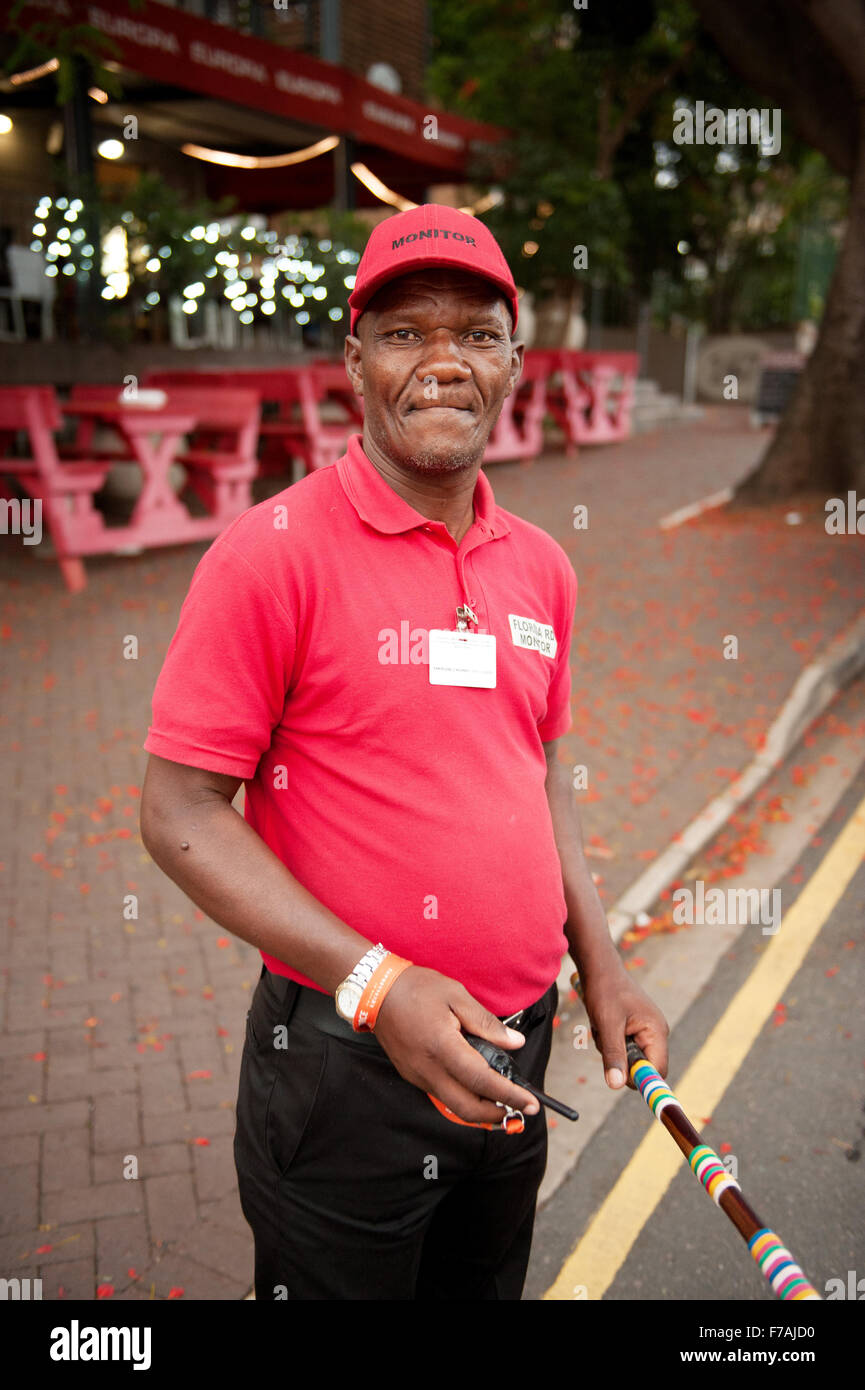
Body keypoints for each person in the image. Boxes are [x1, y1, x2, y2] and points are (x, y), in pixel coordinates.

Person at [139, 202, 669, 1301]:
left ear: (514, 365)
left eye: (475, 334)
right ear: (353, 361)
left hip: (517, 1054)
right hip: (343, 1068)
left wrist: (603, 967)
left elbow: (540, 777)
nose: (442, 361)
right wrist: (377, 981)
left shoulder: (542, 568)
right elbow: (179, 810)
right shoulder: (268, 556)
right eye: (404, 332)